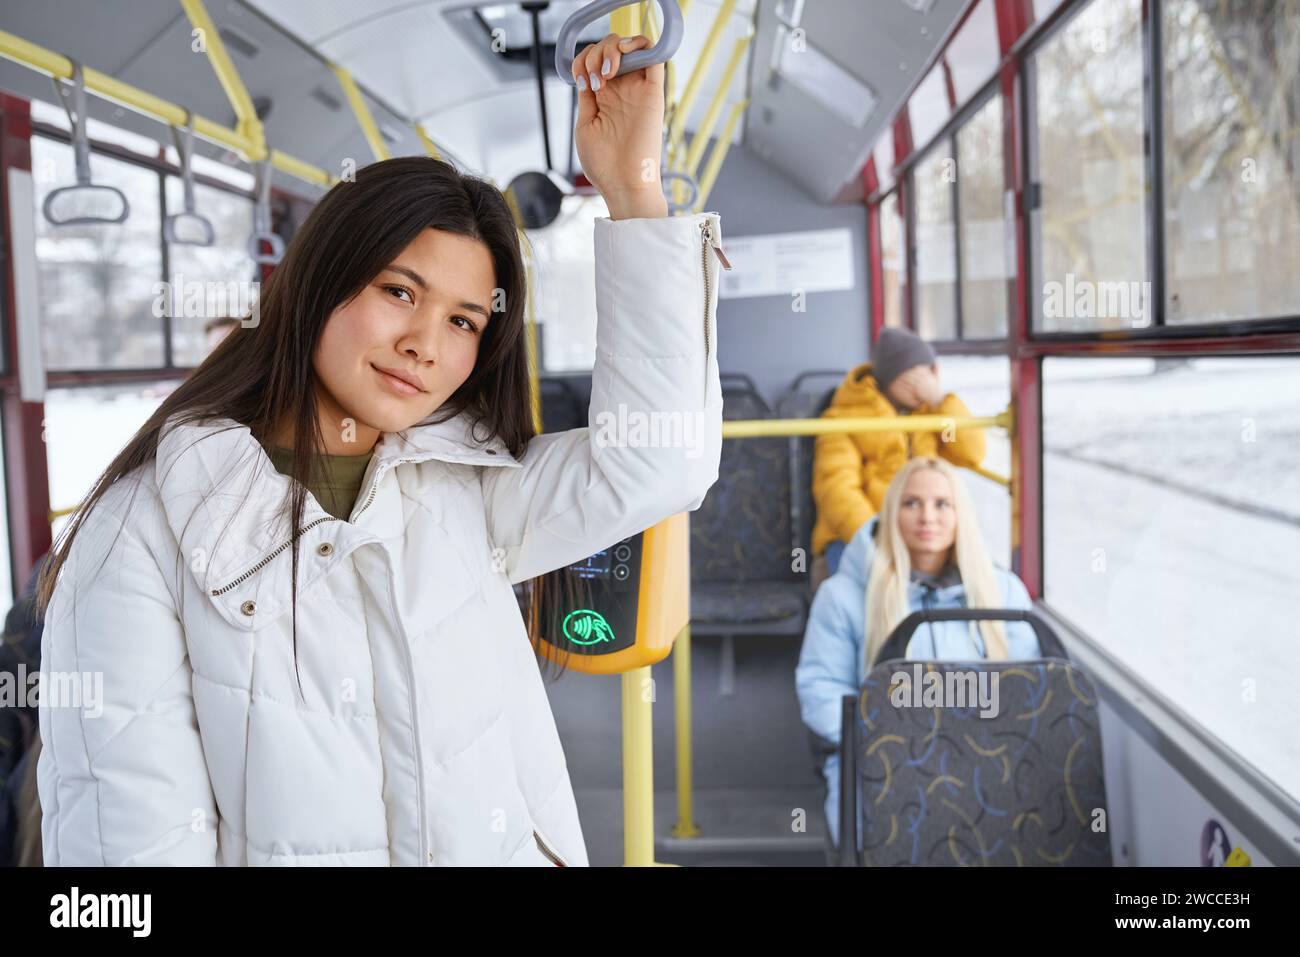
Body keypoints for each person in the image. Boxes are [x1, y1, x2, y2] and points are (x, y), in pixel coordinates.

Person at [34, 33, 724, 867]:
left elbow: (663, 462)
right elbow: (132, 849)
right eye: (400, 291)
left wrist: (632, 189)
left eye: (465, 321)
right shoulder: (139, 532)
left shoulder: (465, 486)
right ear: (321, 283)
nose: (426, 344)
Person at [795, 456, 1040, 850]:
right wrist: (885, 744)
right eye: (912, 503)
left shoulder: (1004, 590)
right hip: (881, 760)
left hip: (986, 755)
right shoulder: (842, 596)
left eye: (942, 504)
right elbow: (823, 689)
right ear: (892, 512)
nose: (928, 517)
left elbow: (1028, 689)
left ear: (960, 514)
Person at [809, 327, 986, 592]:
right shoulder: (842, 419)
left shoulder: (932, 415)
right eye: (913, 378)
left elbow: (971, 454)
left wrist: (940, 401)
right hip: (860, 534)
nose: (922, 385)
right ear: (888, 379)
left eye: (928, 375)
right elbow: (836, 489)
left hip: (917, 530)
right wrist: (879, 536)